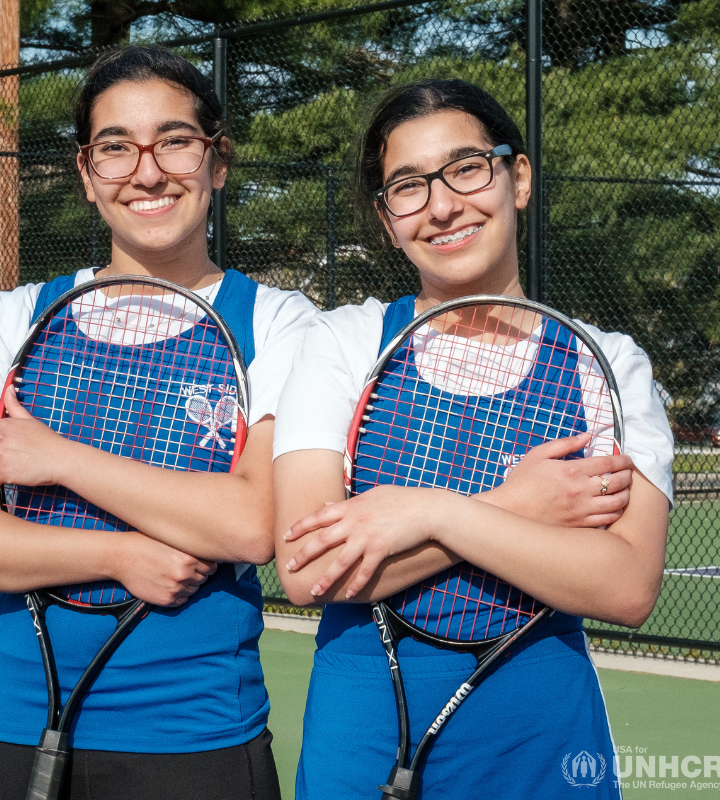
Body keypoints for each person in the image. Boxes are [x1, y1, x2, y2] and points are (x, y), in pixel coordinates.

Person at [0, 45, 316, 800]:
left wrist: (58, 458)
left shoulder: (279, 322)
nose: (147, 171)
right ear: (88, 176)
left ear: (217, 163)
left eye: (175, 141)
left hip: (197, 736)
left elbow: (252, 524)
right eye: (116, 148)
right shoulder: (20, 318)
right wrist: (119, 553)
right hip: (16, 726)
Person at [271, 78, 673, 799]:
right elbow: (309, 570)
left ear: (517, 177)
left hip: (542, 746)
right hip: (358, 737)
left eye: (466, 168)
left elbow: (626, 584)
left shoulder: (607, 363)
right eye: (407, 186)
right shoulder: (344, 342)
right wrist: (515, 505)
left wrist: (432, 512)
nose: (442, 204)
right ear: (387, 218)